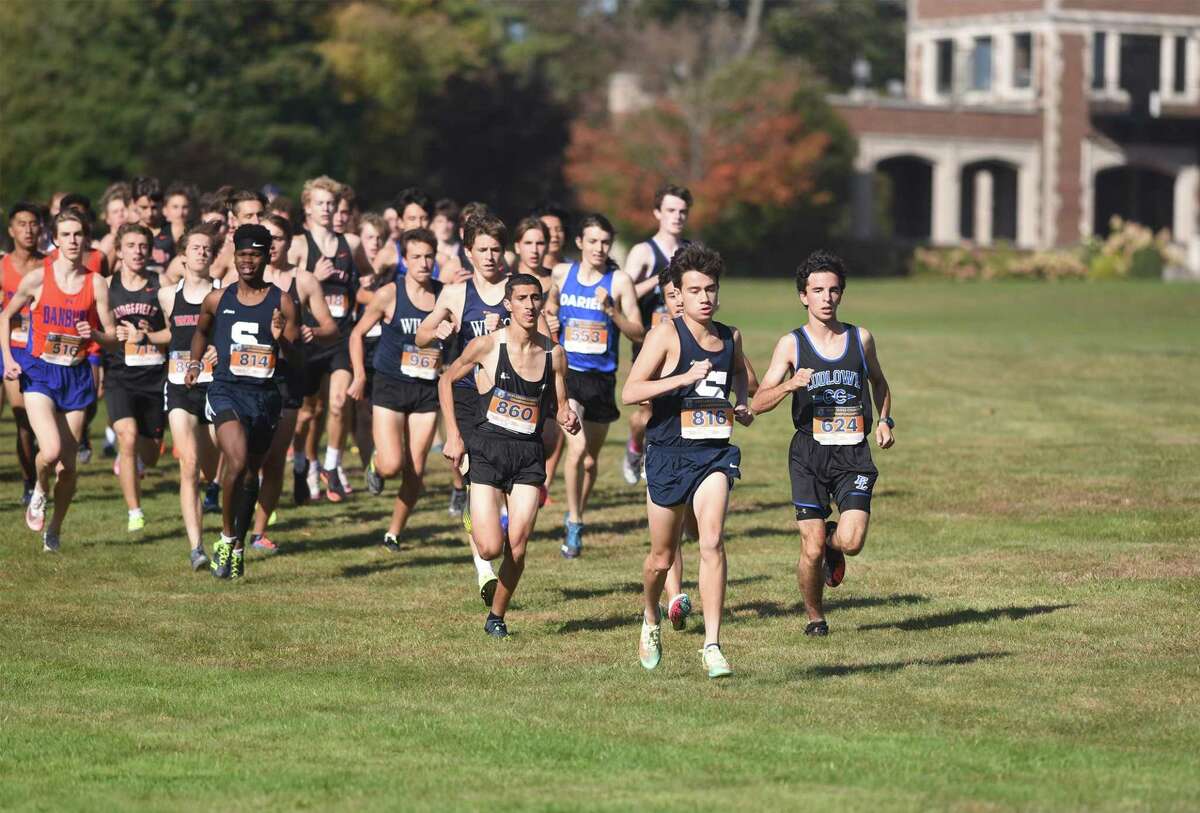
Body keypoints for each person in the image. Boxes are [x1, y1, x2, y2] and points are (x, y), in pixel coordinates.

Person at [623, 242, 753, 678]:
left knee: (712, 540)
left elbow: (741, 375)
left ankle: (712, 645)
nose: (705, 297)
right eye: (695, 290)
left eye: (711, 289)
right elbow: (631, 391)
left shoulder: (730, 337)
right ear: (678, 293)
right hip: (668, 454)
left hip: (714, 453)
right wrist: (682, 377)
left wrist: (742, 402)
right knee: (661, 559)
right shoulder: (665, 334)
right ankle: (650, 616)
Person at [750, 250, 894, 637]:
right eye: (817, 291)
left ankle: (834, 543)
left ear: (841, 293)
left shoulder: (860, 339)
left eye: (833, 290)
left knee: (852, 541)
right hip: (808, 454)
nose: (826, 298)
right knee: (810, 548)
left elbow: (879, 382)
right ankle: (816, 618)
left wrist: (884, 421)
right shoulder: (791, 344)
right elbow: (758, 403)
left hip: (853, 452)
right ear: (803, 296)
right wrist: (789, 385)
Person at [439, 273, 579, 637]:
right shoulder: (487, 346)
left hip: (528, 454)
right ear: (508, 304)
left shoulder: (554, 354)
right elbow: (446, 381)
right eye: (522, 299)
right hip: (488, 449)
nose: (530, 305)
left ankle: (496, 617)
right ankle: (472, 512)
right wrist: (453, 435)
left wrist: (567, 417)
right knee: (489, 548)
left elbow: (560, 405)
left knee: (517, 546)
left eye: (535, 298)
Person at [185, 224, 300, 580]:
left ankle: (237, 547)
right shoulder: (217, 299)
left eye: (255, 254)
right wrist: (194, 363)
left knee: (250, 475)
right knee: (235, 461)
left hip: (264, 397)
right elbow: (201, 331)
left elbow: (298, 358)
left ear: (267, 257)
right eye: (242, 254)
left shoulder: (282, 301)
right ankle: (226, 537)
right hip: (226, 390)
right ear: (234, 257)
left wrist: (281, 339)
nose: (248, 261)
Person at [0, 210, 116, 551]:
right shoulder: (37, 278)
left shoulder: (96, 283)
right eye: (66, 234)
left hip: (75, 375)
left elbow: (112, 338)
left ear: (86, 237)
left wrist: (94, 333)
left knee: (68, 469)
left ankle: (55, 528)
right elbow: (5, 317)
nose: (73, 240)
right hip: (39, 371)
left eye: (78, 234)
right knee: (49, 451)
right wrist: (9, 359)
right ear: (55, 239)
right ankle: (39, 488)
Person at [415, 213, 510, 603]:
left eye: (495, 249)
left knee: (501, 480)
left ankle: (488, 521)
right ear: (468, 252)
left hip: (507, 398)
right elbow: (421, 335)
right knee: (475, 473)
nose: (489, 257)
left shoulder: (516, 291)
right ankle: (484, 570)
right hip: (467, 396)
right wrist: (435, 331)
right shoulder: (456, 294)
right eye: (482, 249)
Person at [551, 214, 644, 558]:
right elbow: (549, 305)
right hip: (569, 375)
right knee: (576, 451)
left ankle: (577, 512)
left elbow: (638, 332)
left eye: (605, 242)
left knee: (590, 461)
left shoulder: (619, 281)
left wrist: (612, 312)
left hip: (602, 380)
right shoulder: (562, 274)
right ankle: (575, 522)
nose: (599, 248)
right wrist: (550, 313)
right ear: (579, 242)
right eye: (592, 241)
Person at [349, 228, 443, 550]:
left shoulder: (445, 296)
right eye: (416, 257)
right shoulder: (390, 294)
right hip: (390, 384)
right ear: (405, 260)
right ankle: (376, 465)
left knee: (416, 467)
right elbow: (356, 334)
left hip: (426, 389)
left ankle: (394, 531)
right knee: (392, 464)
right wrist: (359, 375)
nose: (423, 263)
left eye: (429, 256)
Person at [248, 214, 337, 552]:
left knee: (273, 459)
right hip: (248, 377)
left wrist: (314, 330)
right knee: (246, 458)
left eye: (278, 238)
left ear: (289, 242)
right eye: (265, 238)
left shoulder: (304, 280)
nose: (271, 245)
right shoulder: (242, 276)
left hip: (286, 378)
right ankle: (236, 521)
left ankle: (258, 532)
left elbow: (331, 328)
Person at [288, 177, 370, 504]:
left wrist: (372, 295)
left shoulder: (351, 243)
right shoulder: (298, 245)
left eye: (331, 204)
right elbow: (285, 287)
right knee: (308, 412)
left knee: (338, 403)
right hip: (308, 338)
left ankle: (332, 466)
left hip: (341, 337)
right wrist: (314, 279)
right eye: (319, 203)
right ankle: (302, 465)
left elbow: (366, 276)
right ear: (307, 207)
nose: (326, 209)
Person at [620, 184, 692, 486]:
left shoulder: (691, 250)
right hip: (650, 343)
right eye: (671, 210)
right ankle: (636, 446)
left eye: (682, 211)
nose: (677, 216)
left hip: (684, 343)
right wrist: (659, 279)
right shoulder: (644, 251)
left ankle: (661, 460)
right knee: (647, 411)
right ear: (657, 213)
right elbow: (624, 292)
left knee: (676, 408)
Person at [160, 225, 222, 569]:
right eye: (195, 247)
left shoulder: (224, 293)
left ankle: (224, 520)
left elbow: (234, 336)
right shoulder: (168, 296)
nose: (202, 252)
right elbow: (169, 334)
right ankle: (197, 548)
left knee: (213, 470)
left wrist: (220, 351)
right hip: (179, 385)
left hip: (215, 387)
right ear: (183, 256)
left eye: (207, 248)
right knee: (189, 463)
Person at [103, 223, 169, 532]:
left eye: (143, 246)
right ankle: (135, 511)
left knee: (152, 455)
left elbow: (175, 332)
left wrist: (147, 336)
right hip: (120, 377)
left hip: (154, 377)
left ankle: (137, 462)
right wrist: (111, 335)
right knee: (127, 437)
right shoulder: (106, 286)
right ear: (119, 250)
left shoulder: (162, 284)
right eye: (130, 245)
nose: (137, 251)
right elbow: (99, 332)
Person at [2, 202, 44, 504]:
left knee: (38, 420)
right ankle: (30, 481)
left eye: (33, 223)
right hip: (10, 348)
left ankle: (38, 474)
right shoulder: (2, 266)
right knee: (21, 417)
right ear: (11, 230)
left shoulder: (49, 265)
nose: (28, 230)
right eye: (22, 224)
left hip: (42, 350)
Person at [371, 188, 433, 276]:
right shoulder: (387, 255)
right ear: (400, 222)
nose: (418, 224)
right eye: (412, 219)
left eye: (424, 219)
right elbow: (367, 284)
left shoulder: (441, 260)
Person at [132, 176, 173, 274]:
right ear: (134, 204)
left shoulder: (174, 230)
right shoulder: (127, 233)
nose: (149, 213)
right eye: (144, 207)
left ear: (162, 204)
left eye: (154, 207)